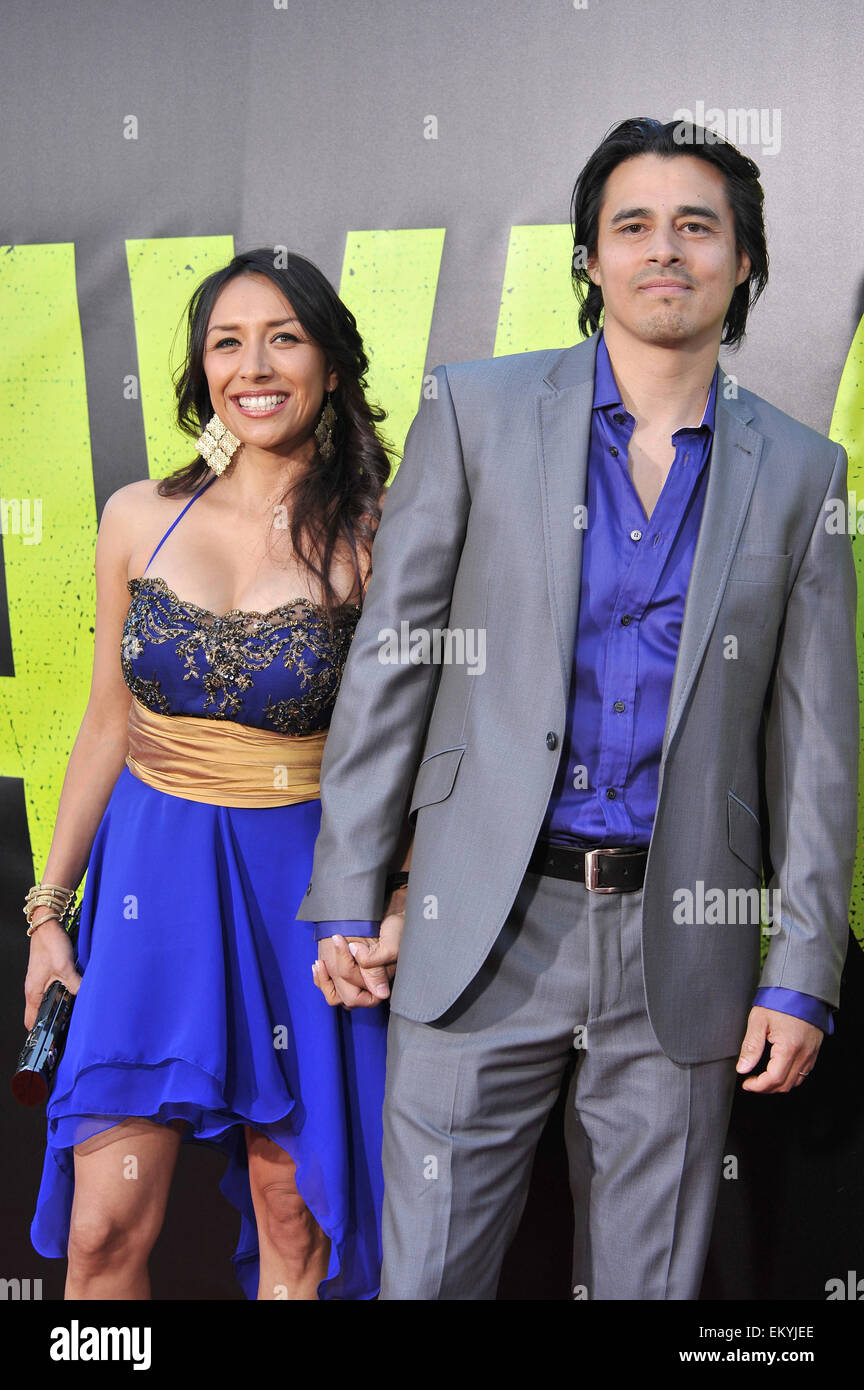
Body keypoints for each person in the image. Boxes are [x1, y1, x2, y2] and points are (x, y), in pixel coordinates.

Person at [299, 118, 859, 1299]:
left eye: (698, 226)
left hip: (685, 947)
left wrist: (801, 966)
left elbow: (817, 746)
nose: (668, 251)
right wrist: (350, 884)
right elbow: (395, 661)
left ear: (744, 261)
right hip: (479, 931)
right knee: (429, 1281)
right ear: (590, 258)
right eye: (634, 226)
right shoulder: (479, 412)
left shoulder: (806, 473)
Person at [25, 246, 396, 1300]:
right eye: (228, 341)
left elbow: (414, 748)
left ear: (330, 363)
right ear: (201, 371)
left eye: (284, 335)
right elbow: (105, 723)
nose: (255, 363)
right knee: (100, 1234)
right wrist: (50, 909)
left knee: (296, 1217)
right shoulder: (138, 513)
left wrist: (392, 896)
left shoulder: (381, 531)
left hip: (305, 892)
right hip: (151, 887)